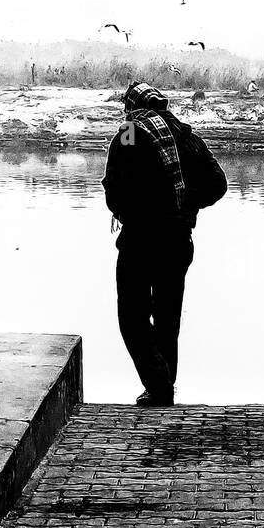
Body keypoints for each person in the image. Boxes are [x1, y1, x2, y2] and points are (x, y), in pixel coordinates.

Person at [103, 82, 228, 406]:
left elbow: (117, 183)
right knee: (167, 317)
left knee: (132, 317)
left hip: (141, 241)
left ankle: (159, 389)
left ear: (132, 106)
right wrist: (185, 203)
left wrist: (128, 211)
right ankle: (162, 389)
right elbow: (217, 184)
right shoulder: (185, 136)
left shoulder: (130, 130)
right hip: (177, 241)